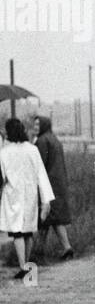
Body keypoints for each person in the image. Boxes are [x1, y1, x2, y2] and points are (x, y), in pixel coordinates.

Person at [1, 117, 54, 278]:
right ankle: (27, 265)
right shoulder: (32, 149)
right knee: (28, 230)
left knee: (17, 231)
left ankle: (23, 266)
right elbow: (41, 175)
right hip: (30, 194)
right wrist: (46, 200)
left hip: (13, 194)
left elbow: (2, 177)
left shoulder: (4, 153)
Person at [33, 116, 74, 260]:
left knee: (44, 218)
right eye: (35, 124)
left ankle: (38, 252)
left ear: (43, 125)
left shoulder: (42, 141)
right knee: (55, 219)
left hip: (48, 185)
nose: (35, 126)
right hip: (58, 183)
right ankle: (66, 247)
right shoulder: (55, 139)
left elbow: (40, 164)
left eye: (38, 124)